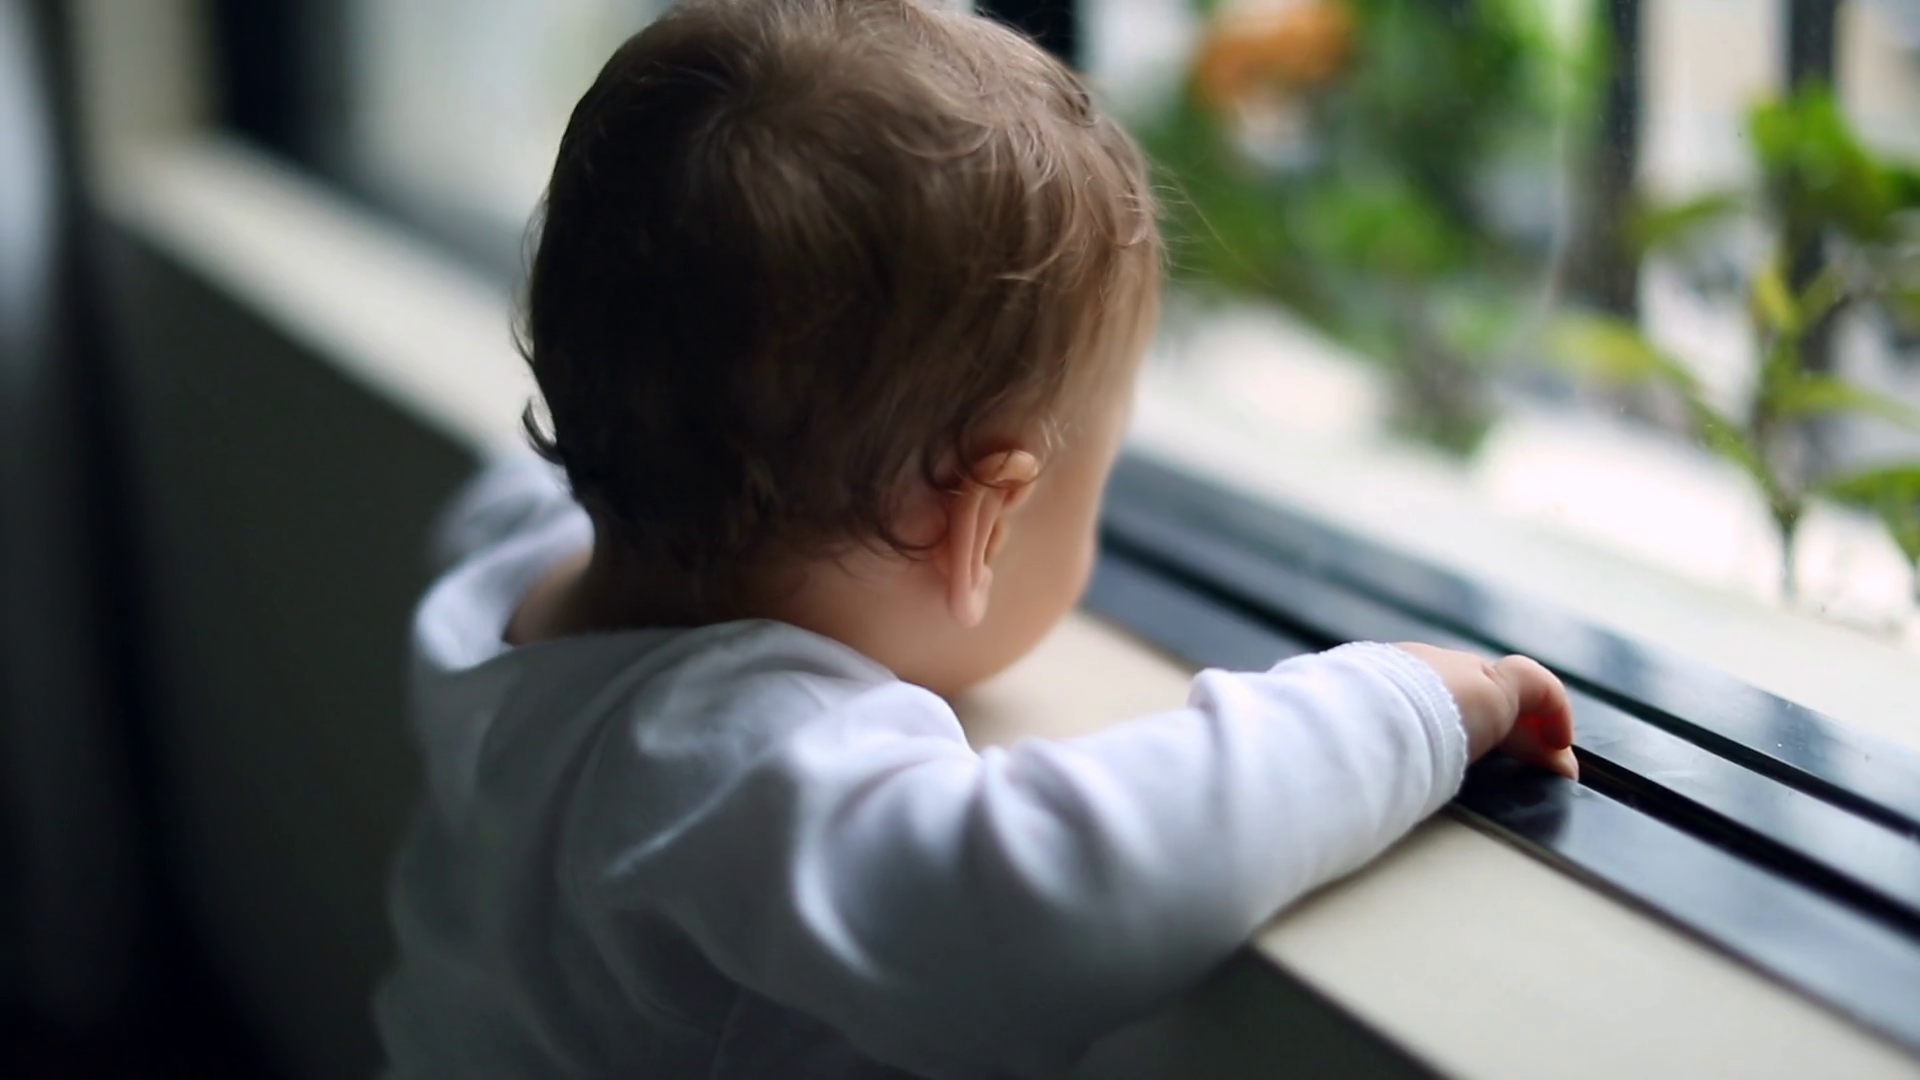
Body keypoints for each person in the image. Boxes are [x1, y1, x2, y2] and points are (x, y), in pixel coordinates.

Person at [373, 0, 1578, 1075]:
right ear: (977, 522)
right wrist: (1401, 704)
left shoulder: (511, 560)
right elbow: (1064, 901)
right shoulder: (725, 763)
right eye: (1093, 480)